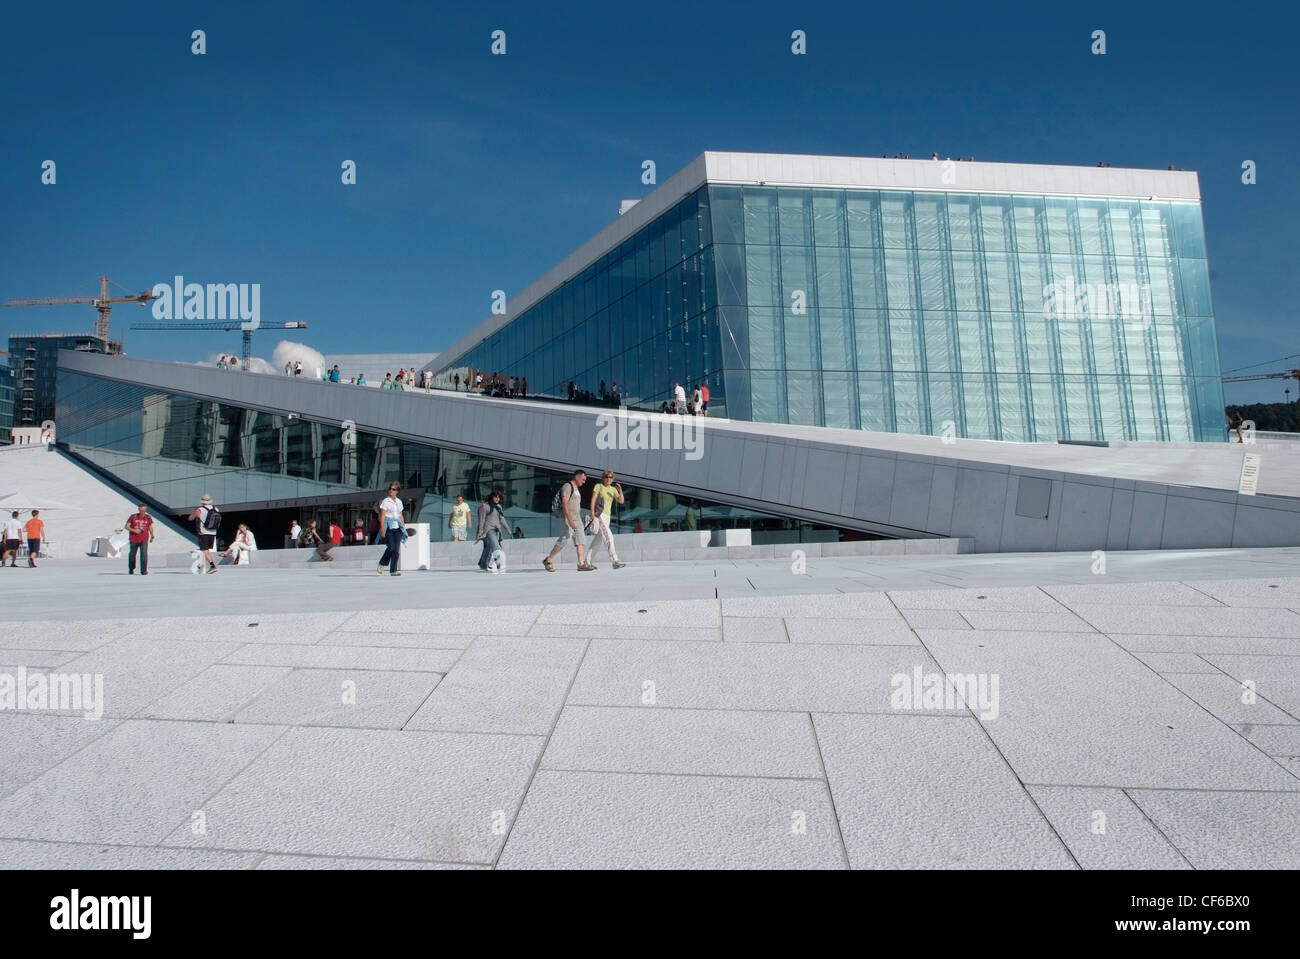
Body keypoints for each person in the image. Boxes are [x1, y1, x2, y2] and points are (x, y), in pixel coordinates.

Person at [544, 469, 593, 572]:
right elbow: (564, 504)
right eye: (583, 479)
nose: (584, 482)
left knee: (581, 540)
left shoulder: (576, 488)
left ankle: (581, 564)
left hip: (577, 518)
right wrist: (570, 520)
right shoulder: (567, 486)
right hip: (568, 518)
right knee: (565, 539)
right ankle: (549, 559)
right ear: (577, 476)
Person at [587, 470, 627, 569]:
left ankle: (587, 562)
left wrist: (620, 490)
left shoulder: (613, 489)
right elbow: (592, 500)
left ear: (613, 478)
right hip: (600, 515)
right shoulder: (598, 486)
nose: (608, 479)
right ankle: (615, 561)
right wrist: (592, 513)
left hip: (607, 517)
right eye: (606, 477)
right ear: (603, 478)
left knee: (598, 541)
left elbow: (621, 501)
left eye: (610, 477)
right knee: (609, 538)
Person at [476, 489, 508, 573]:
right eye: (495, 497)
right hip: (488, 530)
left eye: (499, 497)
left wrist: (507, 528)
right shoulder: (485, 507)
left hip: (496, 530)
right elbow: (482, 520)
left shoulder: (499, 507)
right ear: (491, 498)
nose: (497, 499)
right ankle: (499, 565)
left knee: (488, 548)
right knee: (496, 547)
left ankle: (483, 564)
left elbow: (502, 518)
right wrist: (480, 532)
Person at [187, 494, 221, 574]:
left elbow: (190, 518)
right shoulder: (216, 509)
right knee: (206, 550)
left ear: (202, 501)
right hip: (213, 532)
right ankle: (202, 566)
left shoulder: (200, 509)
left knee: (204, 549)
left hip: (203, 532)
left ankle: (212, 565)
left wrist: (194, 513)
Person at [377, 483, 405, 576]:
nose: (391, 490)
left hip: (398, 528)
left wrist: (403, 527)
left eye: (393, 489)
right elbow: (383, 516)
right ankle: (382, 563)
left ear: (397, 491)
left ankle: (393, 570)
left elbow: (400, 515)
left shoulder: (399, 502)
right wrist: (382, 529)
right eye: (390, 488)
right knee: (391, 547)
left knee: (396, 550)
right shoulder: (386, 501)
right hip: (388, 527)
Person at [125, 503, 155, 575]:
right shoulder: (133, 516)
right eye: (141, 510)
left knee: (144, 554)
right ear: (139, 509)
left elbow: (150, 527)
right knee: (132, 555)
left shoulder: (148, 517)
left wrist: (152, 535)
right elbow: (127, 526)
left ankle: (144, 570)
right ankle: (131, 568)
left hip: (144, 538)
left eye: (144, 510)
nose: (142, 512)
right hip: (134, 538)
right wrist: (134, 530)